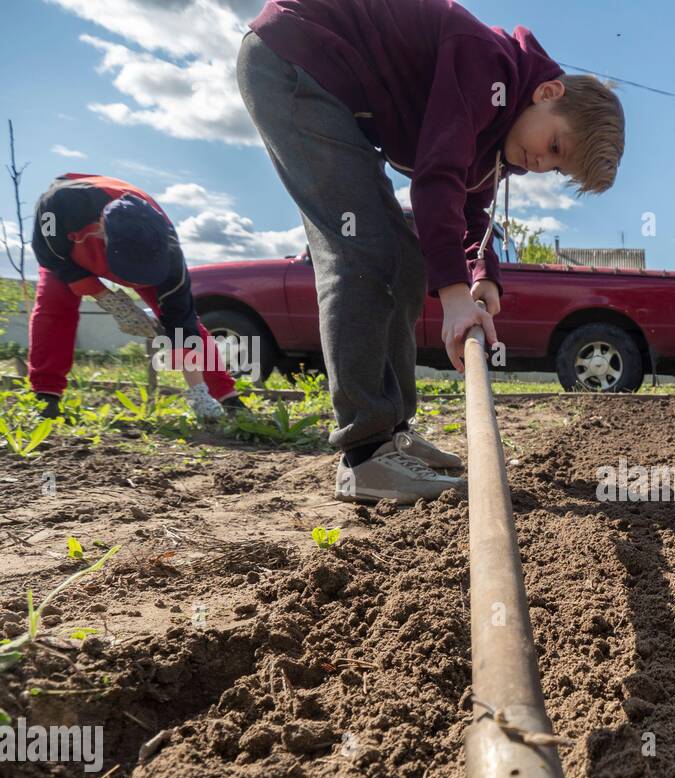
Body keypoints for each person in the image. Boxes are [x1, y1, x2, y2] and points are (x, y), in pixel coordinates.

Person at [238, 0, 624, 503]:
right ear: (549, 93)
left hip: (329, 86)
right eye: (555, 146)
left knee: (404, 256)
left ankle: (393, 434)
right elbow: (437, 180)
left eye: (556, 168)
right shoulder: (485, 64)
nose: (541, 164)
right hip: (294, 61)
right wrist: (454, 296)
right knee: (363, 252)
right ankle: (365, 456)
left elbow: (470, 208)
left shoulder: (501, 127)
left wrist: (482, 276)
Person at [28, 174, 243, 421]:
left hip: (136, 251)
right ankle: (45, 395)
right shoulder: (61, 204)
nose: (138, 283)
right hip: (69, 249)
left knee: (184, 320)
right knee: (55, 306)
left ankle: (228, 399)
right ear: (101, 232)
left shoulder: (171, 260)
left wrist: (199, 392)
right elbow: (48, 254)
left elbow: (183, 327)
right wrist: (106, 297)